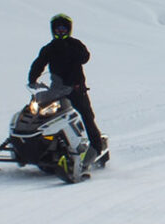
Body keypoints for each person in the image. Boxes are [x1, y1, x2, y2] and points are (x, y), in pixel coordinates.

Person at [27, 13, 107, 168]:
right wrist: (32, 79)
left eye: (63, 29)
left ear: (68, 30)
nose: (60, 32)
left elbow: (85, 57)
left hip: (76, 89)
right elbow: (39, 63)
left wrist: (70, 49)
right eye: (58, 29)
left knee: (87, 116)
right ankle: (38, 146)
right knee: (39, 114)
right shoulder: (49, 48)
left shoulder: (75, 44)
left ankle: (96, 147)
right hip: (56, 89)